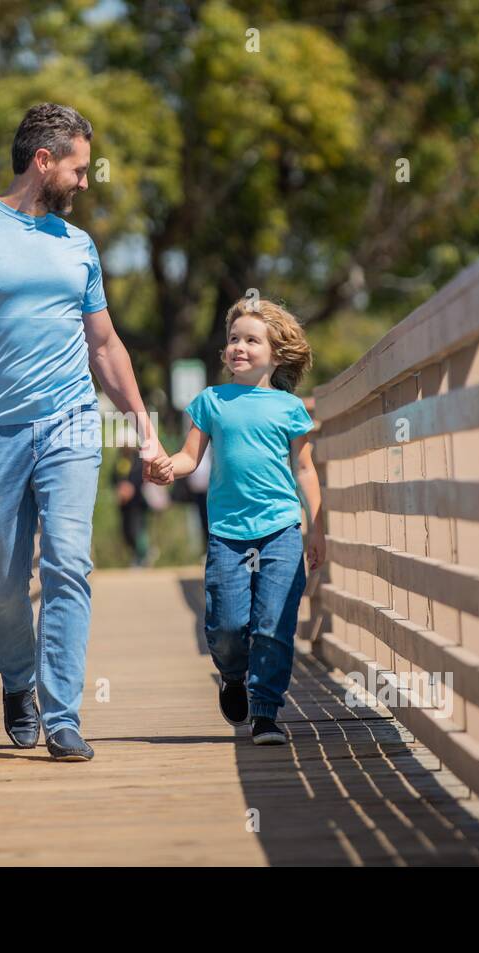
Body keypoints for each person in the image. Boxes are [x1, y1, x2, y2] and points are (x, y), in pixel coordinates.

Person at [0, 103, 170, 762]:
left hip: (71, 422)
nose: (85, 182)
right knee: (3, 583)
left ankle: (63, 715)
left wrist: (142, 424)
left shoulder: (78, 246)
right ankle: (18, 682)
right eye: (79, 169)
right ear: (44, 161)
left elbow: (105, 344)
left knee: (68, 564)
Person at [162, 297, 325, 745]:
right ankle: (233, 675)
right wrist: (164, 467)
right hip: (228, 533)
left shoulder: (290, 409)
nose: (240, 347)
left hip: (280, 528)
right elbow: (188, 457)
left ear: (276, 352)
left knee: (274, 624)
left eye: (252, 340)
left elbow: (305, 470)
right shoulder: (211, 401)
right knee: (228, 626)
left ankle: (266, 712)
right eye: (234, 339)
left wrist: (317, 527)